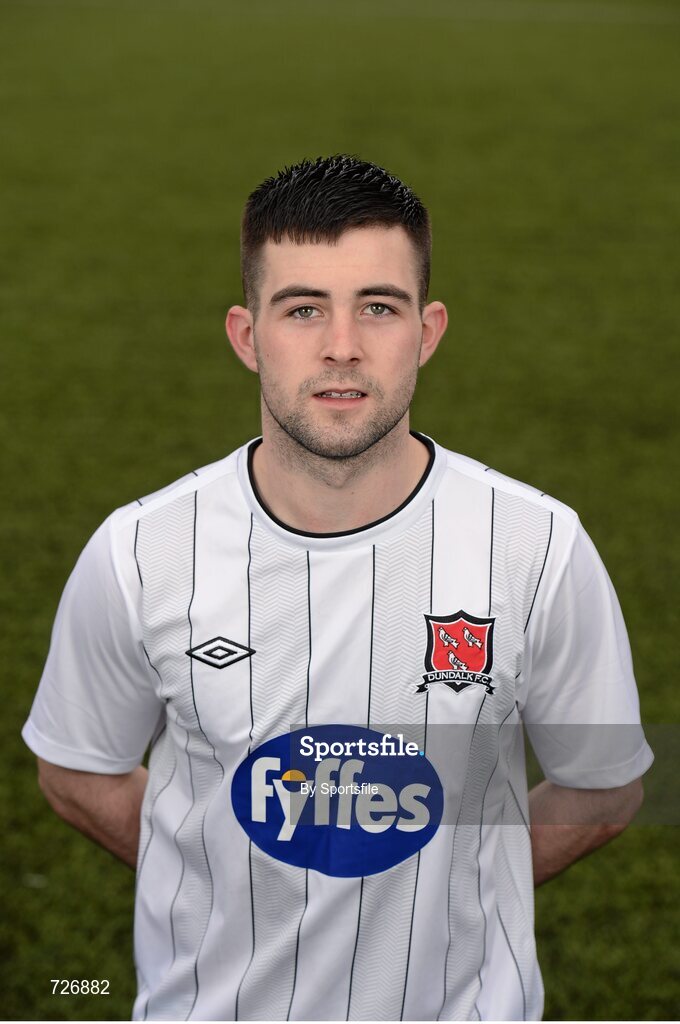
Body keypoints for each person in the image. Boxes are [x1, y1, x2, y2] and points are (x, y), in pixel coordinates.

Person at [23, 154, 653, 1022]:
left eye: (379, 308)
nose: (342, 345)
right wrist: (238, 870)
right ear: (248, 336)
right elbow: (78, 772)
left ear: (427, 331)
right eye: (303, 308)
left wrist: (430, 874)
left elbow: (603, 788)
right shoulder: (140, 553)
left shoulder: (537, 547)